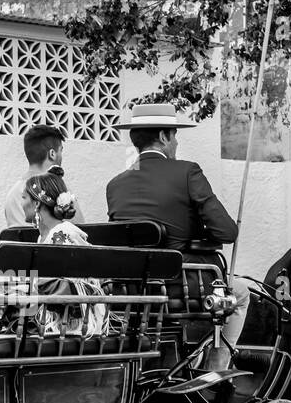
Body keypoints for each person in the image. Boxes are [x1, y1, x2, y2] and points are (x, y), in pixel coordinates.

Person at [105, 102, 248, 370]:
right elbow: (227, 232)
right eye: (175, 136)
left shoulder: (115, 184)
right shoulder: (187, 171)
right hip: (181, 285)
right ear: (163, 137)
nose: (176, 143)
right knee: (240, 292)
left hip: (131, 289)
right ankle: (217, 366)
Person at [25, 168, 108, 336]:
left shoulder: (62, 234)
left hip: (74, 324)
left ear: (36, 203)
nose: (21, 203)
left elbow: (76, 285)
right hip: (56, 319)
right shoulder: (44, 237)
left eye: (24, 198)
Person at [2, 125, 85, 228]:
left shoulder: (12, 195)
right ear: (52, 154)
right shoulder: (59, 189)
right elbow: (81, 231)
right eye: (61, 150)